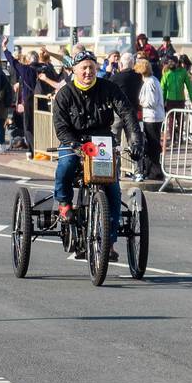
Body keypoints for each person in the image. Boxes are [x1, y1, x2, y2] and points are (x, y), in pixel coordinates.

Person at [52, 50, 145, 263]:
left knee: (112, 187)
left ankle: (109, 243)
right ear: (74, 70)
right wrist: (75, 145)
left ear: (97, 69)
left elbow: (127, 113)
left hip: (102, 141)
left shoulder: (108, 88)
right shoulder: (65, 94)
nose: (88, 72)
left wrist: (136, 141)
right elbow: (60, 126)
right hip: (73, 141)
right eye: (83, 68)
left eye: (91, 67)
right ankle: (64, 204)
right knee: (66, 165)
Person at [136, 59, 166, 180]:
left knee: (153, 145)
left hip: (152, 117)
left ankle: (155, 172)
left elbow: (151, 102)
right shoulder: (154, 80)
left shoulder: (149, 83)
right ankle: (153, 170)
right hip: (154, 116)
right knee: (153, 144)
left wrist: (141, 102)